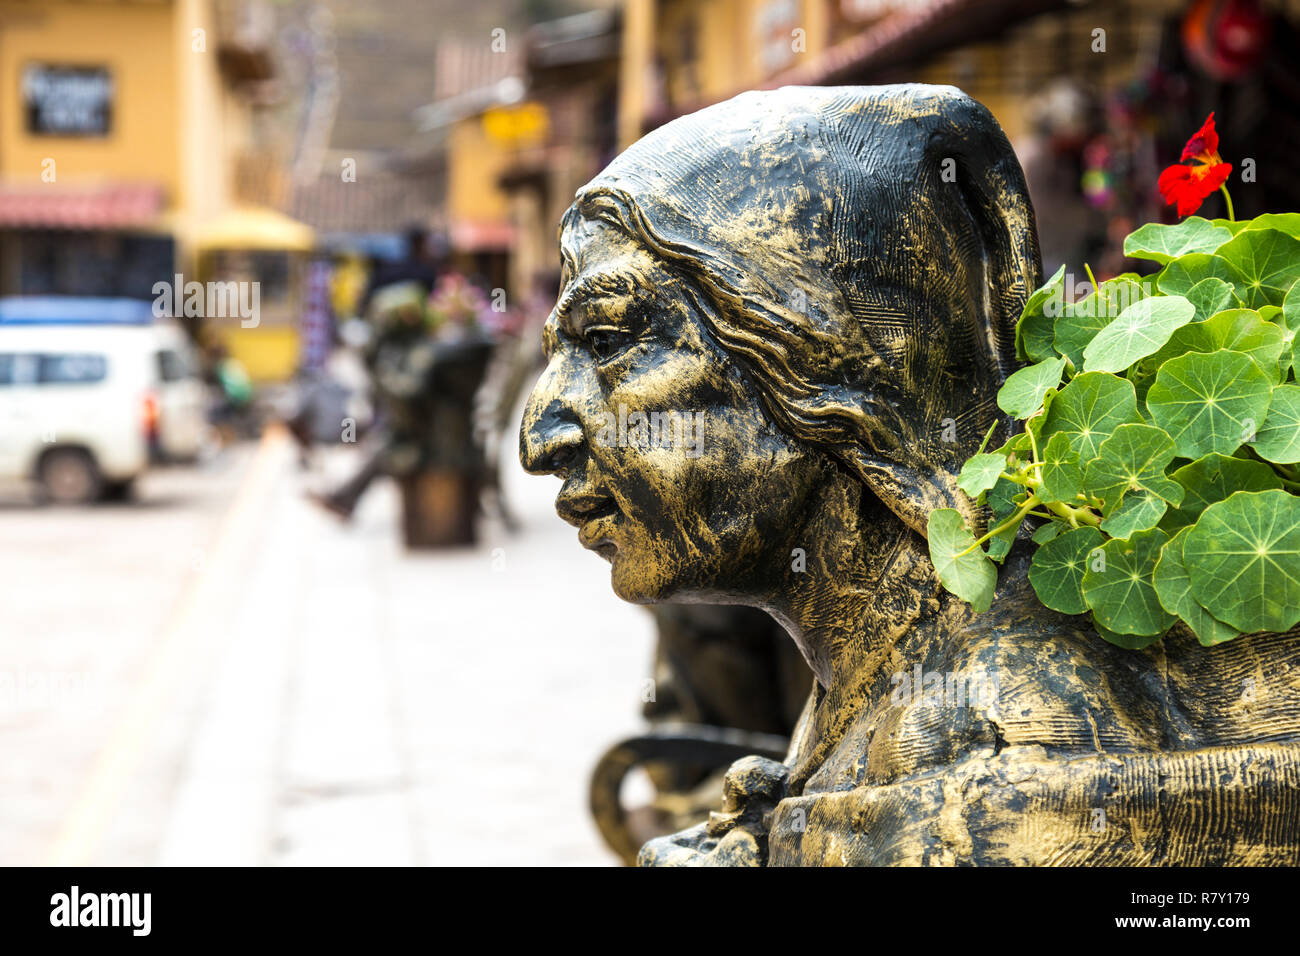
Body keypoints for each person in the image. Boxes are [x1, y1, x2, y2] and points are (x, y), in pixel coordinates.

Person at [519, 85, 1300, 865]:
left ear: (840, 358)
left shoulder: (995, 771)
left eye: (610, 339)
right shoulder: (883, 674)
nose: (538, 435)